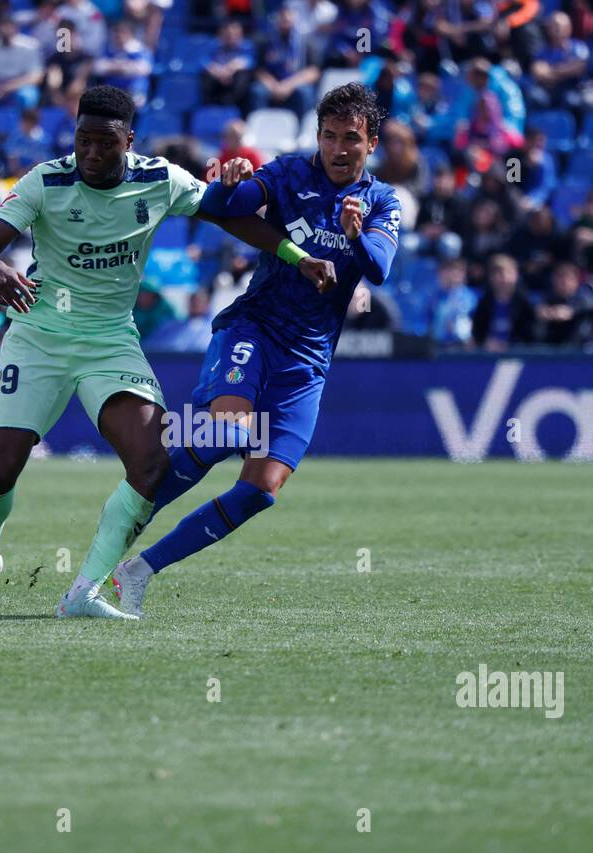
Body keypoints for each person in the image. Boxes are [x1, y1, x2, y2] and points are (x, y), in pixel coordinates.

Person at [0, 85, 336, 619]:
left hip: (110, 341)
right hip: (39, 336)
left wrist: (293, 251)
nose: (92, 154)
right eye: (83, 141)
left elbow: (226, 213)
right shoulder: (45, 180)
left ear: (130, 141)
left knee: (149, 462)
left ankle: (84, 593)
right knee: (3, 468)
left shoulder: (159, 178)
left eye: (105, 143)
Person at [110, 83, 401, 616]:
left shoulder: (381, 200)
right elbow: (225, 208)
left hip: (308, 361)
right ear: (317, 135)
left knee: (261, 489)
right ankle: (123, 522)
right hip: (254, 329)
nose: (339, 149)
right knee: (224, 433)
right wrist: (230, 179)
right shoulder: (289, 173)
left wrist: (355, 234)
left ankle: (138, 568)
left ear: (372, 143)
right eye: (330, 136)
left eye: (351, 140)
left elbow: (378, 269)